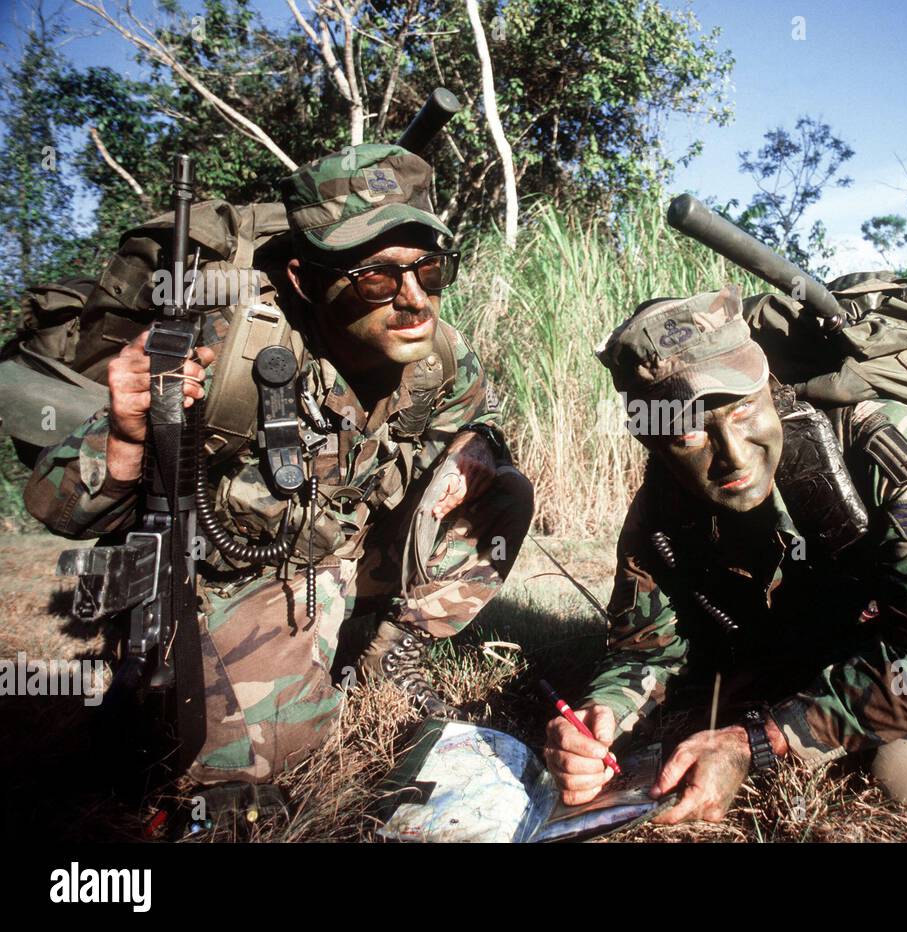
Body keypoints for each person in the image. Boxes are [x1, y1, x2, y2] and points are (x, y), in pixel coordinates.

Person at [24, 144, 534, 785]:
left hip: (342, 554)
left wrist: (477, 452)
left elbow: (459, 434)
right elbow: (56, 507)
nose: (414, 300)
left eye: (429, 271)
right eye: (377, 276)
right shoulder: (226, 345)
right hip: (233, 578)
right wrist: (127, 431)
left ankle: (386, 651)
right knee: (268, 756)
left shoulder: (438, 358)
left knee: (503, 489)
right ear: (304, 279)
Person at [543, 286, 907, 825]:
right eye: (688, 432)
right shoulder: (660, 508)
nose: (733, 454)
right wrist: (603, 713)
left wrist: (760, 741)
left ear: (769, 384)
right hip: (807, 645)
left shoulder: (882, 445)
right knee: (674, 735)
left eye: (743, 406)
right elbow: (645, 651)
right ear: (653, 441)